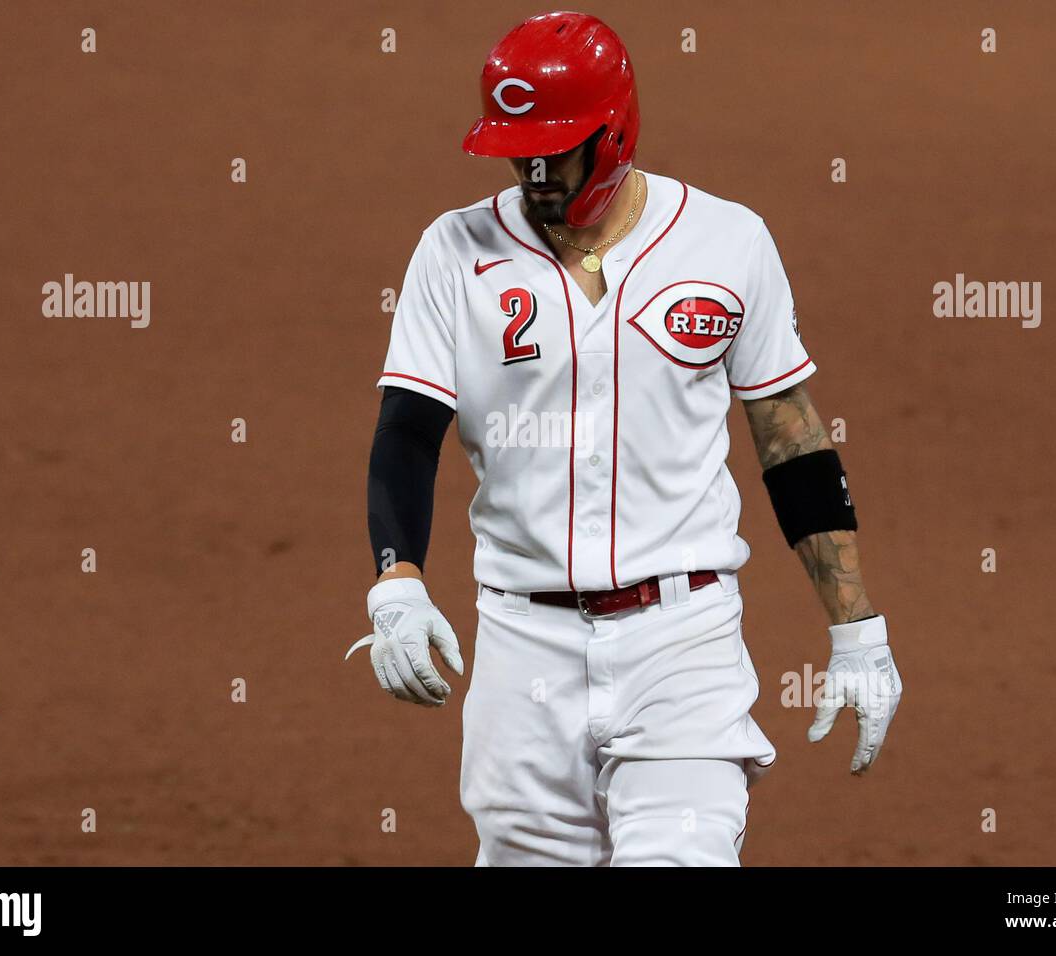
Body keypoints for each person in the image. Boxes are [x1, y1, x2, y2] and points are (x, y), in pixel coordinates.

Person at [349, 11, 902, 867]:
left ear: (613, 134)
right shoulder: (452, 252)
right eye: (515, 154)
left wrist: (856, 628)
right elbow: (408, 432)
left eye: (553, 153)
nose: (533, 176)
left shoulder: (727, 242)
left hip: (681, 645)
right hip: (520, 654)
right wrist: (399, 581)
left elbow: (792, 441)